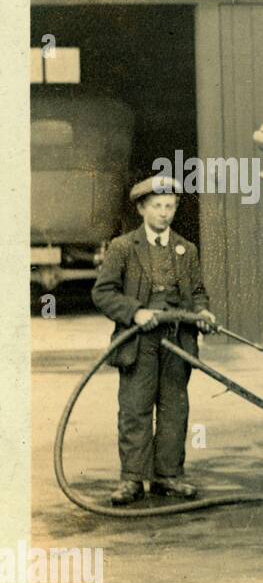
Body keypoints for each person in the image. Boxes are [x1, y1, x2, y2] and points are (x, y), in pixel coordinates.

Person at [92, 175, 218, 505]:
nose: (165, 213)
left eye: (170, 206)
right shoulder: (122, 248)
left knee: (175, 409)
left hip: (178, 342)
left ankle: (168, 477)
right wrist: (135, 313)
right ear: (142, 209)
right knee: (135, 409)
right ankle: (132, 480)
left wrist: (203, 314)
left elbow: (199, 292)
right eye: (158, 206)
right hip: (138, 344)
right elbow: (103, 292)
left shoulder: (186, 249)